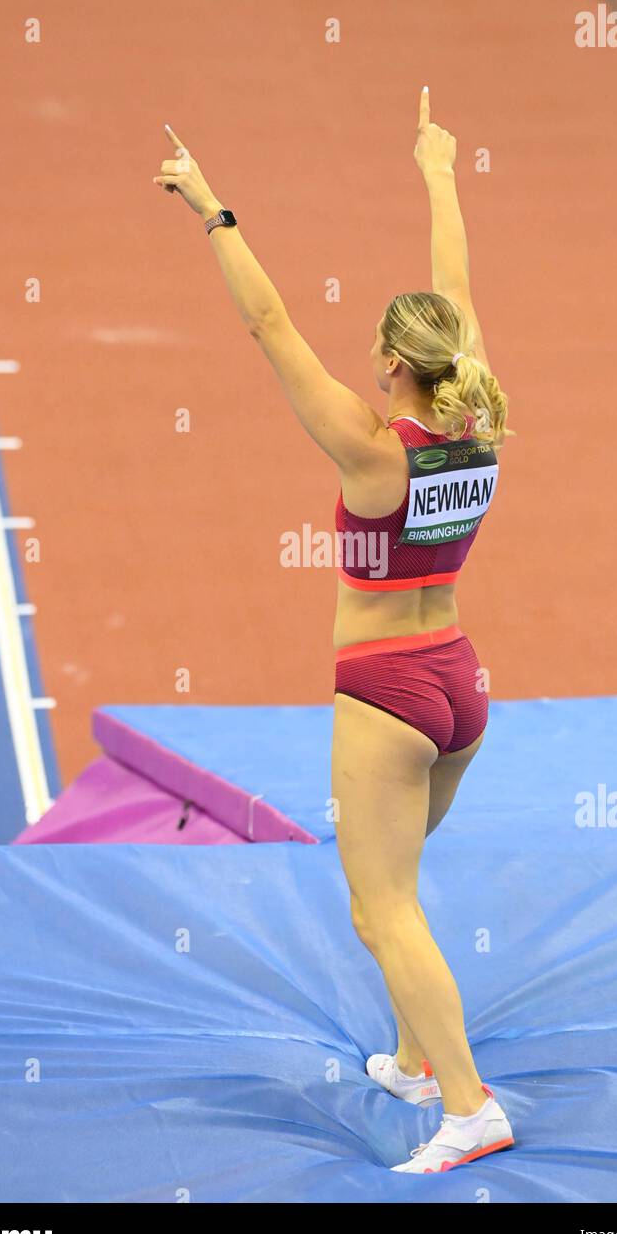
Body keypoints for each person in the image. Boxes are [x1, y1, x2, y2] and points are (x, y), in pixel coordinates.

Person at [153, 87, 514, 1173]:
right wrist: (437, 171)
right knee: (397, 884)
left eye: (377, 348)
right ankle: (411, 1058)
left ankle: (467, 1106)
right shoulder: (480, 418)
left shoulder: (372, 452)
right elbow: (457, 290)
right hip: (458, 683)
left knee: (379, 907)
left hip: (386, 695)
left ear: (393, 368)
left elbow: (268, 327)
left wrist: (209, 207)